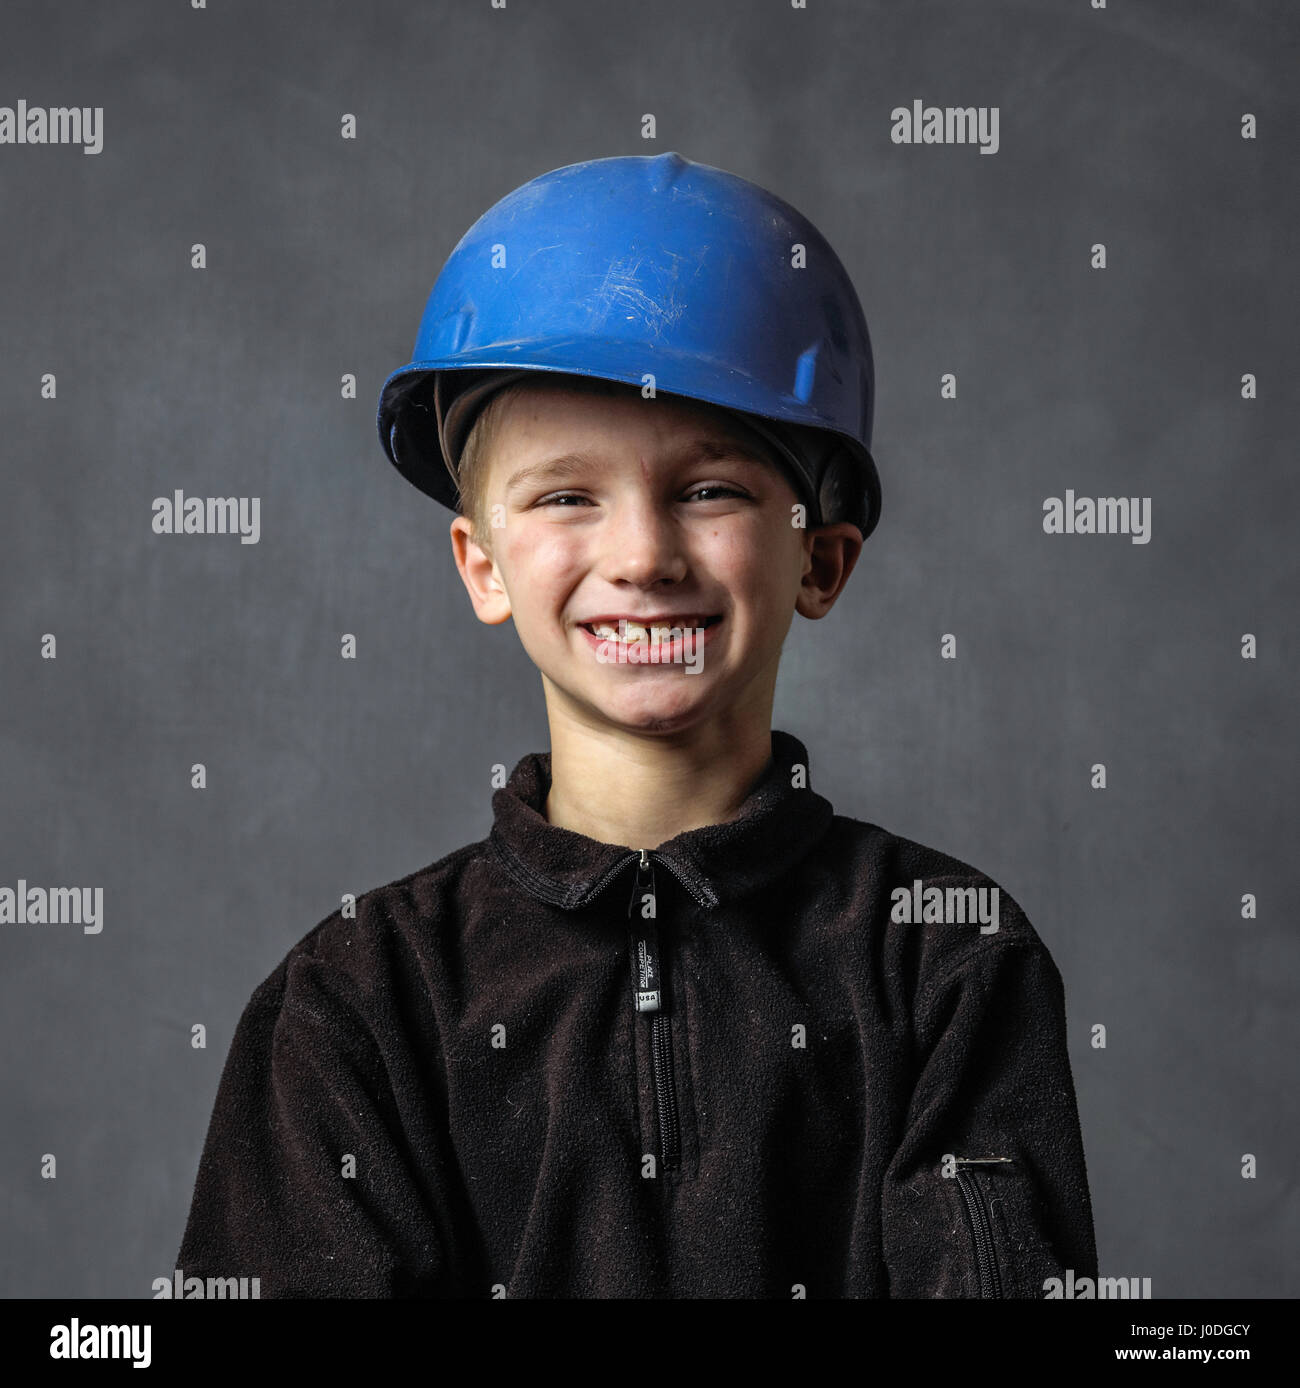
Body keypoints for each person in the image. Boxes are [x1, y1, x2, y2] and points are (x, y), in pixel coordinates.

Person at [176, 151, 1096, 1297]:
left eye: (709, 489)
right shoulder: (359, 998)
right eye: (566, 494)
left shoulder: (944, 956)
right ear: (483, 563)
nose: (642, 556)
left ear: (820, 557)